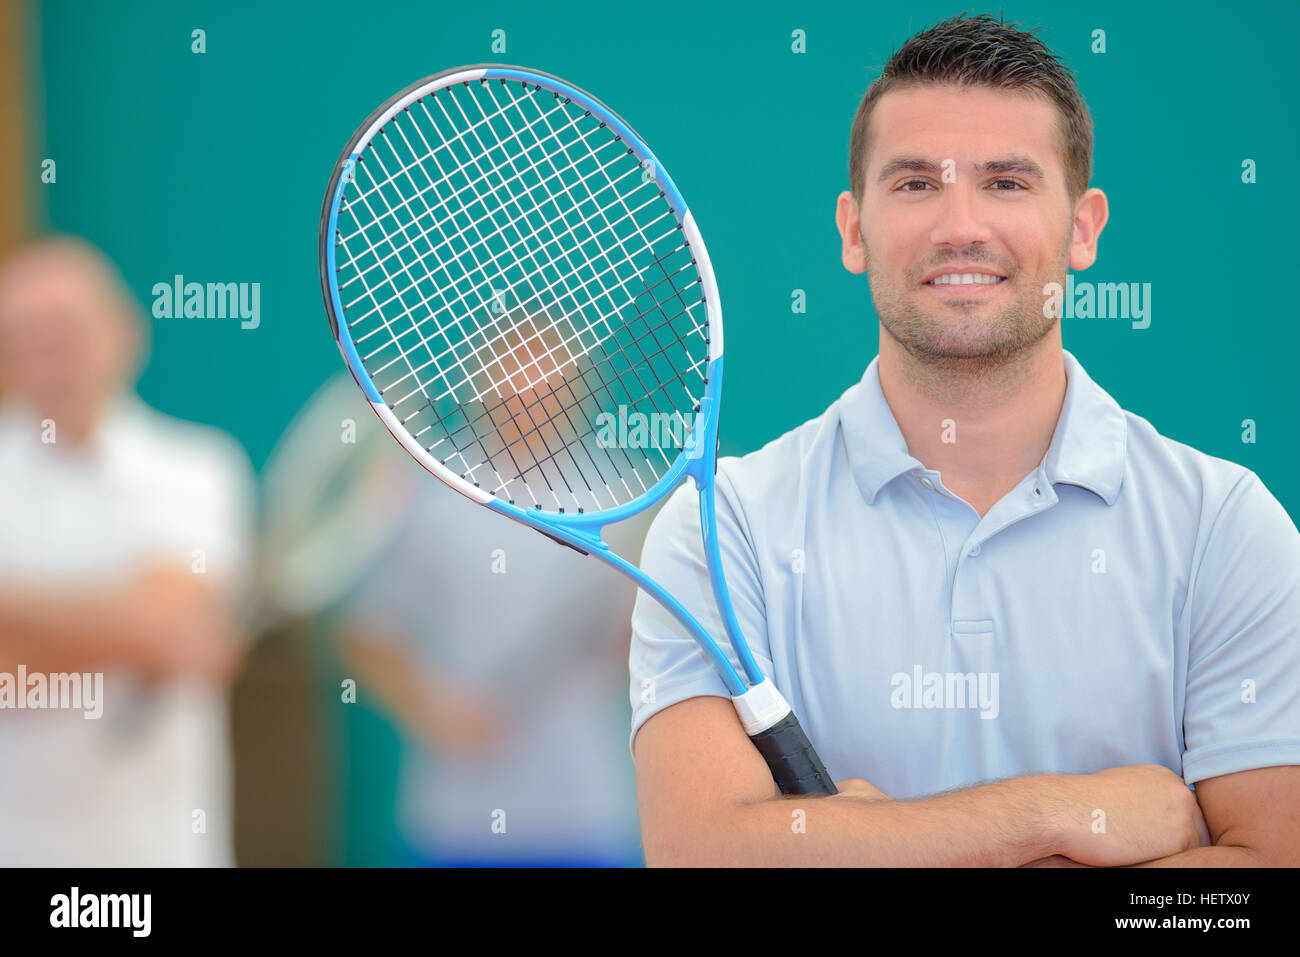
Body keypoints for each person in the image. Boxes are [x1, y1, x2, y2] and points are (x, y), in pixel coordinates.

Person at [629, 13, 1300, 867]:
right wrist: (1054, 814)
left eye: (1006, 183)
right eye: (916, 184)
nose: (961, 227)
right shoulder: (723, 531)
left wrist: (872, 842)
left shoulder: (1225, 527)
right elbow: (700, 851)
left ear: (1083, 228)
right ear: (853, 229)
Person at [0, 236, 254, 866]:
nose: (50, 354)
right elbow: (161, 636)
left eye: (65, 329)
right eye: (26, 337)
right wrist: (141, 637)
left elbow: (168, 625)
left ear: (123, 333)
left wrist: (19, 621)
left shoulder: (200, 468)